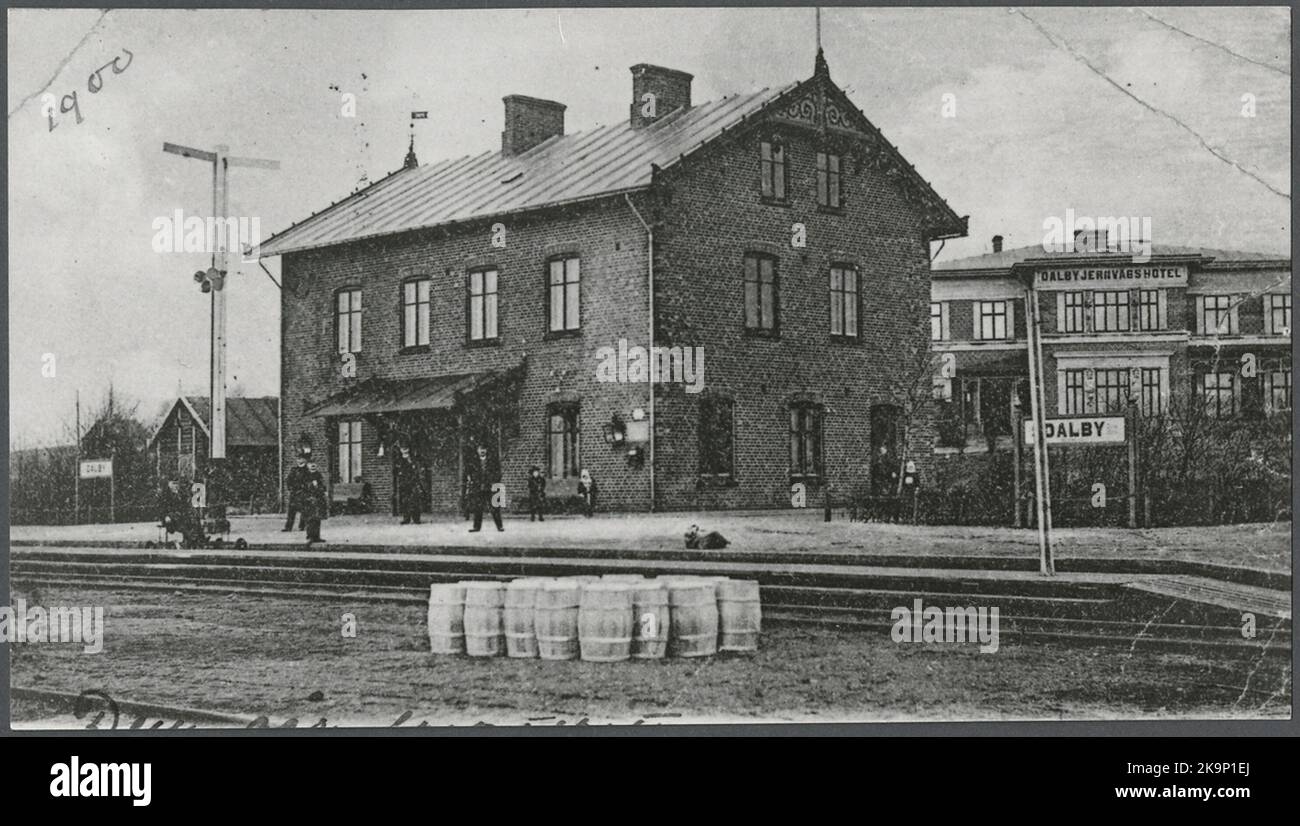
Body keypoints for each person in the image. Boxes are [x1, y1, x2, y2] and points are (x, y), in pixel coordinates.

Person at [466, 445, 503, 532]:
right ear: (477, 451)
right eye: (480, 449)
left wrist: (494, 482)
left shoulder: (492, 462)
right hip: (478, 488)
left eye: (484, 449)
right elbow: (469, 473)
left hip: (490, 487)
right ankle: (476, 527)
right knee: (478, 508)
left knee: (494, 506)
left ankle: (499, 526)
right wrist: (473, 480)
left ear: (486, 450)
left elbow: (498, 473)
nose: (482, 451)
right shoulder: (474, 462)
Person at [396, 446, 425, 525]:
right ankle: (406, 518)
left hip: (413, 482)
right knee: (405, 501)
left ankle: (416, 519)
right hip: (405, 483)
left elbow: (416, 471)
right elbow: (398, 472)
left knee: (415, 500)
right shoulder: (400, 461)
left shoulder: (413, 460)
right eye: (403, 449)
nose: (404, 451)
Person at [303, 461, 327, 544]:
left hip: (318, 499)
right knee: (310, 518)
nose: (313, 466)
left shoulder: (318, 475)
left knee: (317, 518)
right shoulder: (305, 476)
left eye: (314, 465)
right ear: (308, 466)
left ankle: (317, 536)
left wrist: (319, 487)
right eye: (311, 465)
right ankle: (310, 536)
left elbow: (323, 487)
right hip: (309, 500)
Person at [283, 455, 308, 532]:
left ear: (305, 460)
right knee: (291, 511)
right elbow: (288, 480)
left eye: (302, 459)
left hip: (303, 493)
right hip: (294, 493)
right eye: (299, 459)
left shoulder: (307, 471)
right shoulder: (293, 470)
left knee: (304, 510)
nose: (300, 461)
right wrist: (290, 488)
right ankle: (288, 527)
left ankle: (302, 526)